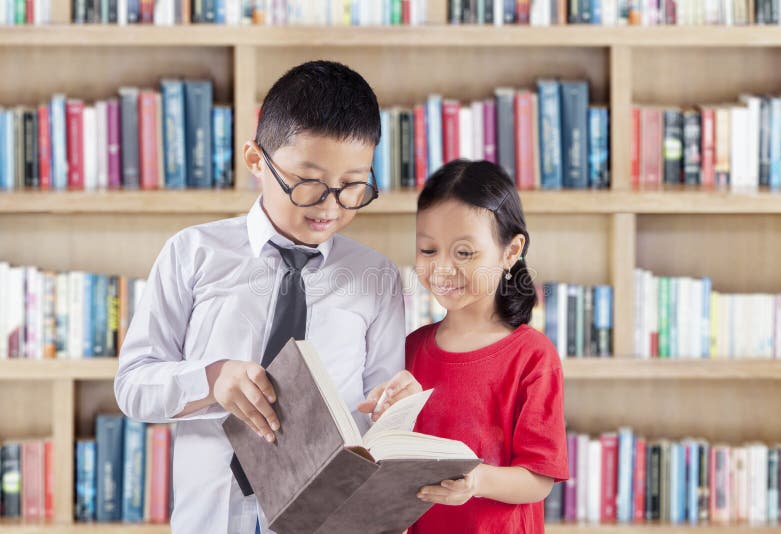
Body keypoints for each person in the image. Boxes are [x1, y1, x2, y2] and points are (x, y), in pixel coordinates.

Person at [115, 60, 409, 534]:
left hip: (326, 520)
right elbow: (132, 386)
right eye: (309, 183)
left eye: (353, 186)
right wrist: (211, 380)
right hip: (213, 518)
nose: (331, 207)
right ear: (256, 160)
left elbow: (382, 411)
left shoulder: (375, 277)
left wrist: (395, 411)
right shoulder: (194, 253)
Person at [381, 159, 569, 533]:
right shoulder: (410, 349)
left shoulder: (532, 357)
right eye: (428, 251)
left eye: (464, 253)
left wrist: (476, 482)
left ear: (510, 251)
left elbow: (538, 480)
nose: (443, 269)